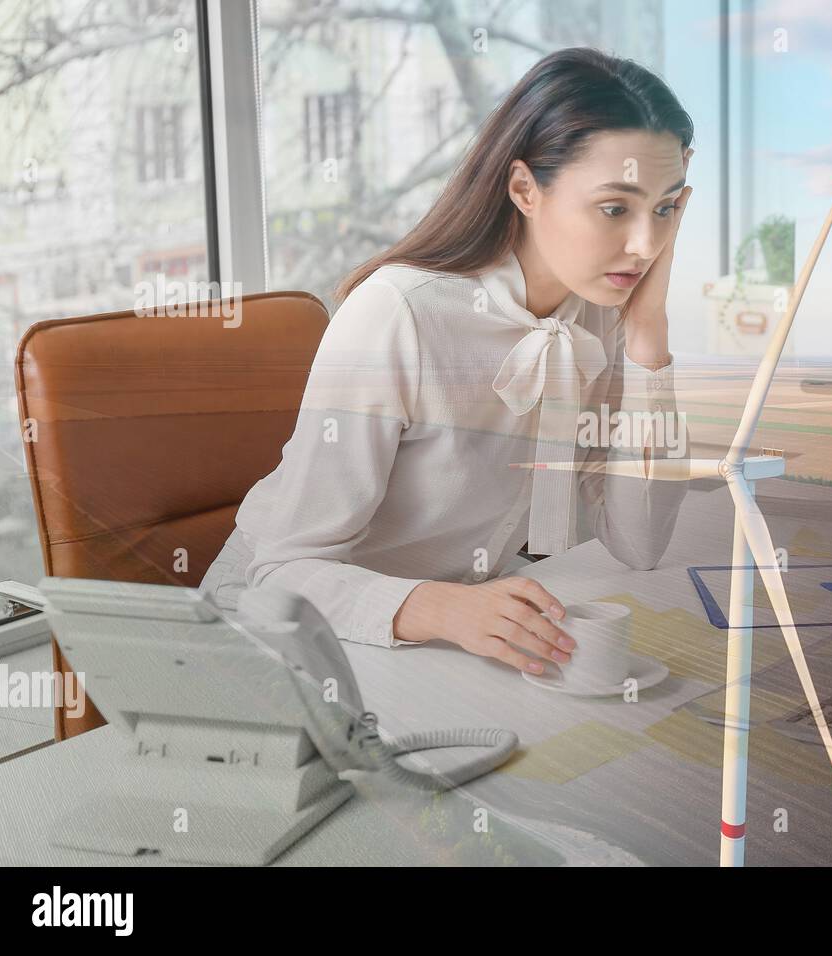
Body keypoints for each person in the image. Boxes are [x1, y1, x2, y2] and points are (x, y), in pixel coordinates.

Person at [200, 47, 695, 677]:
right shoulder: (398, 314)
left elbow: (641, 542)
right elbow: (279, 574)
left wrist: (649, 336)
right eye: (614, 208)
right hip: (284, 638)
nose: (646, 245)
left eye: (664, 208)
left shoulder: (596, 309)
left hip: (439, 637)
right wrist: (445, 611)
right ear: (524, 188)